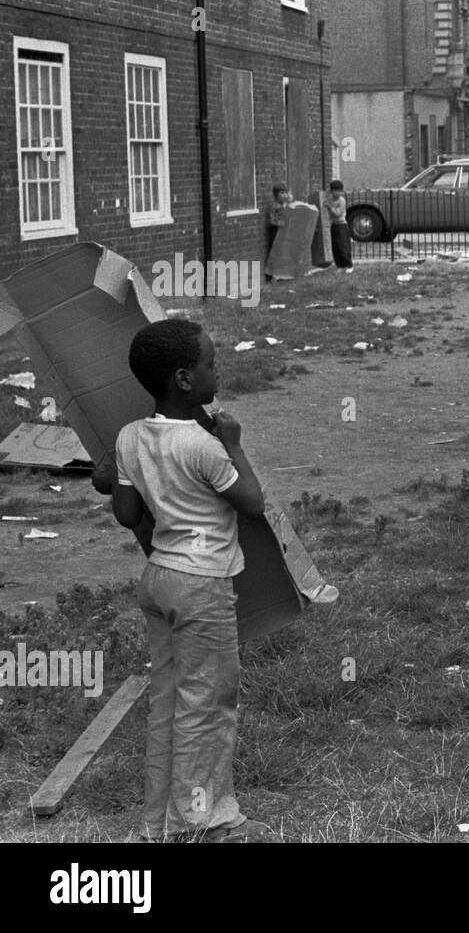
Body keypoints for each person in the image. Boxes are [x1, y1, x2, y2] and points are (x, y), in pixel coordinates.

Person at [111, 319, 275, 842]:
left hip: (158, 579)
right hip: (201, 585)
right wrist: (234, 444)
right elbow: (251, 504)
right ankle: (205, 822)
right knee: (207, 704)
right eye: (210, 363)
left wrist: (110, 476)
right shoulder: (205, 446)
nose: (216, 369)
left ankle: (156, 825)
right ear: (184, 379)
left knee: (170, 701)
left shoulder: (130, 437)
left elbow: (127, 511)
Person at [326, 180, 354, 273]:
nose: (337, 193)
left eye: (339, 191)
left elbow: (338, 214)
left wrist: (329, 207)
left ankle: (349, 265)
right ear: (331, 191)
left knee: (343, 246)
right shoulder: (330, 200)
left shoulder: (342, 200)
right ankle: (340, 265)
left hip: (342, 226)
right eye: (335, 190)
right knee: (336, 247)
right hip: (334, 225)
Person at [263, 183, 292, 270]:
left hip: (282, 231)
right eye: (281, 193)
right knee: (274, 252)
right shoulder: (273, 205)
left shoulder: (285, 205)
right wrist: (282, 224)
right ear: (276, 194)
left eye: (285, 193)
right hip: (274, 231)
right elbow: (271, 220)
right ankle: (271, 274)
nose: (284, 195)